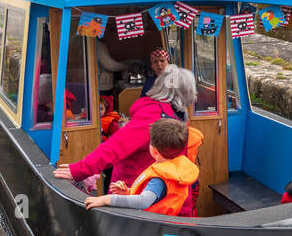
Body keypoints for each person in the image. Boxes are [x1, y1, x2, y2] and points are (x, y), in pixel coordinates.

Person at [54, 65, 199, 196]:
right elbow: (115, 147)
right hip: (140, 194)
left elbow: (115, 147)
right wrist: (80, 169)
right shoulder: (161, 115)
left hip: (146, 193)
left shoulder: (167, 114)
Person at [83, 118, 200, 216]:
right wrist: (128, 192)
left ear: (154, 151)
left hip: (151, 228)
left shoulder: (159, 179)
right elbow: (157, 196)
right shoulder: (174, 167)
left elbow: (143, 201)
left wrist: (106, 199)